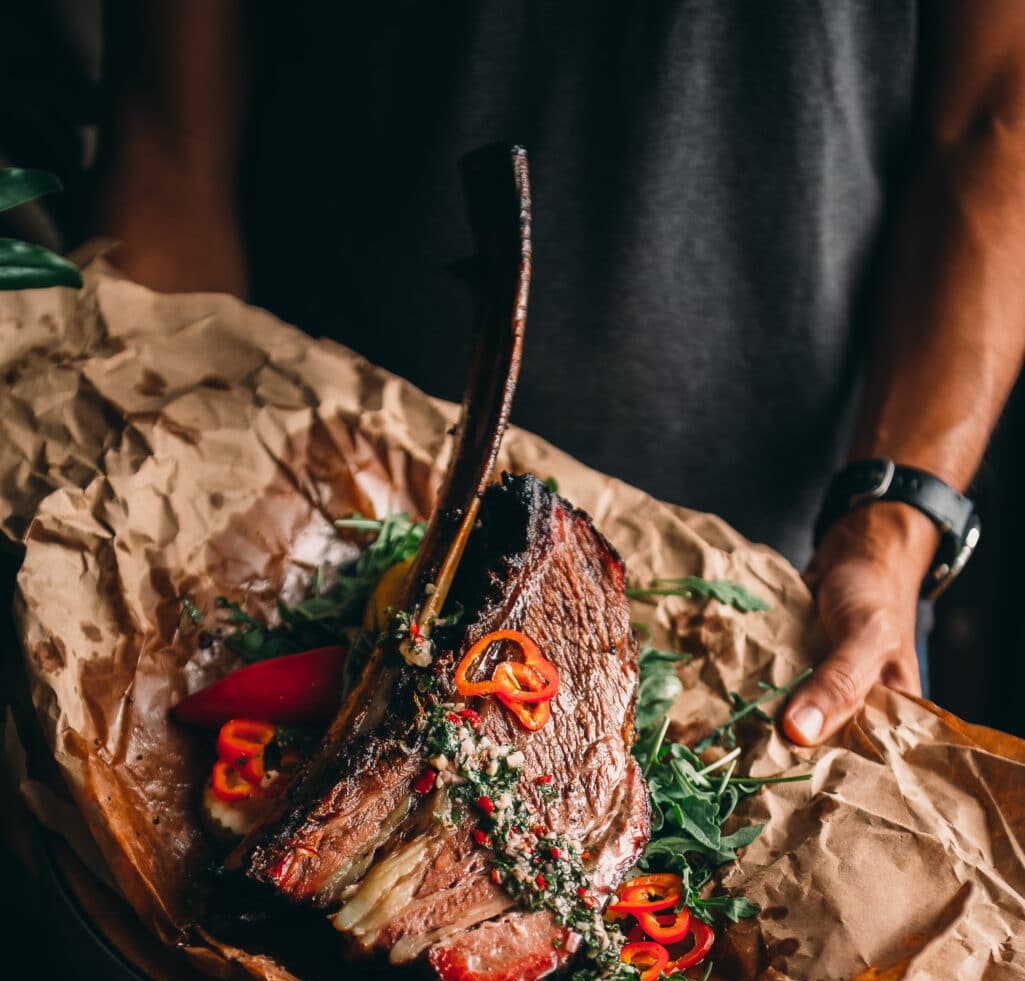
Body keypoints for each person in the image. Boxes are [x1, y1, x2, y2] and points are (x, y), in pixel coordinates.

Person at [95, 0, 1025, 746]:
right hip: (300, 525)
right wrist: (169, 470)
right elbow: (171, 133)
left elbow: (997, 117)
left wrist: (898, 525)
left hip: (788, 594)